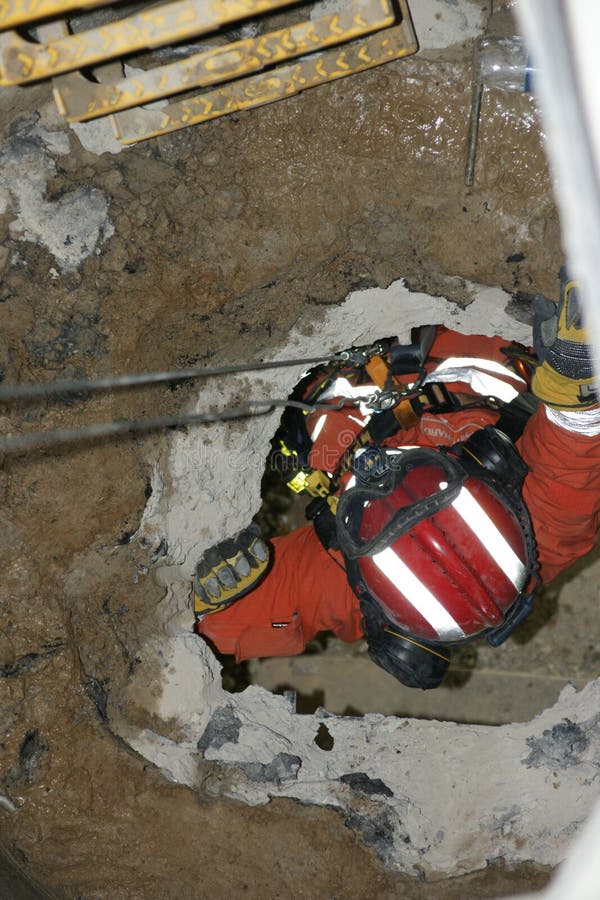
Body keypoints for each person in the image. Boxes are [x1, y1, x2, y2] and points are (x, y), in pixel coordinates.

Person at [192, 270, 600, 688]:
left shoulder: (356, 579)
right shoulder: (539, 525)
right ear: (488, 469)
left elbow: (227, 619)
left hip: (324, 370)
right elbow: (574, 450)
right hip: (469, 333)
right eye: (417, 476)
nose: (380, 475)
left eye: (366, 509)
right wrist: (576, 376)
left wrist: (210, 606)